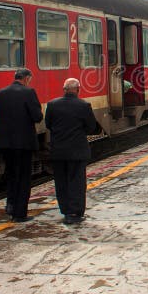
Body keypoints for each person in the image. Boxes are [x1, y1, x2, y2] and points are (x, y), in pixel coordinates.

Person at [0, 68, 43, 222]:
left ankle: (11, 206)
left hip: (6, 143)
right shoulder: (29, 93)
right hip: (24, 143)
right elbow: (37, 117)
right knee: (24, 177)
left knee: (12, 175)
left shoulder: (0, 94)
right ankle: (20, 214)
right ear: (27, 78)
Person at [45, 78, 99, 224]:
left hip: (59, 151)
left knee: (61, 182)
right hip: (77, 151)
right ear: (78, 89)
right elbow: (91, 127)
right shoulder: (84, 105)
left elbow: (48, 124)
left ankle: (66, 210)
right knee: (77, 181)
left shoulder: (52, 105)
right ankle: (76, 212)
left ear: (64, 89)